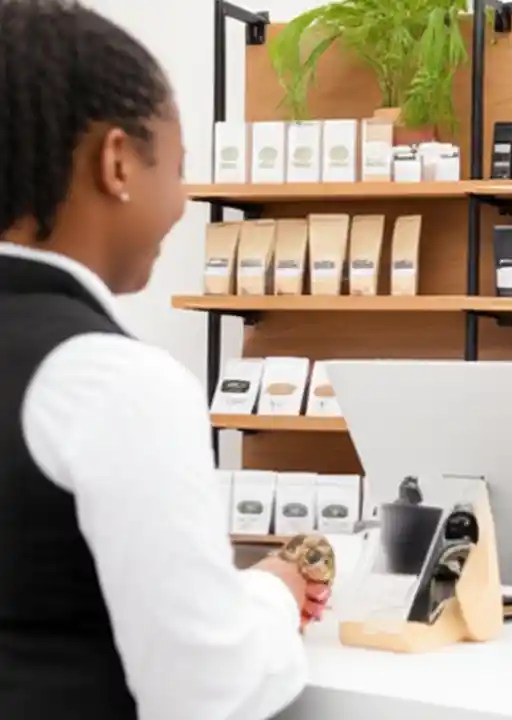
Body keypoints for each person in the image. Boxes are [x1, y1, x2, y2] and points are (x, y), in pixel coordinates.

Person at [0, 2, 326, 718]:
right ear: (117, 162)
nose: (181, 202)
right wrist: (275, 593)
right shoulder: (107, 379)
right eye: (176, 169)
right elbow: (209, 692)